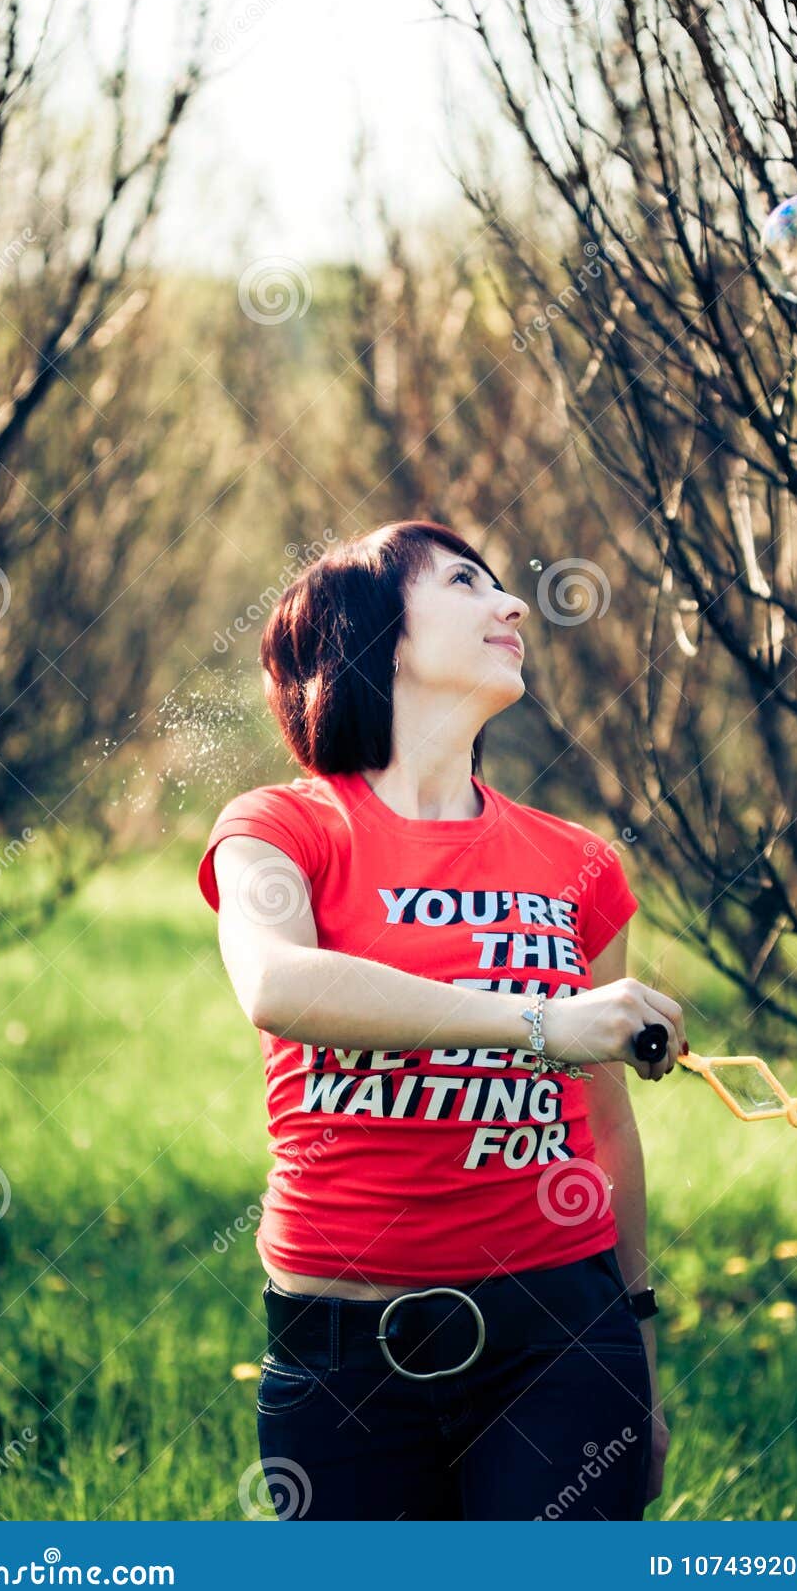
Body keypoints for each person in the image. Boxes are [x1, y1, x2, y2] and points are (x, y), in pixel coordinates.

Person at [197, 520, 684, 1521]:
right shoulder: (279, 828)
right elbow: (279, 983)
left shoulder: (577, 863)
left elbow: (603, 1126)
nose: (510, 604)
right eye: (465, 582)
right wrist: (542, 1023)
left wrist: (635, 1338)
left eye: (503, 585)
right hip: (341, 1360)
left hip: (560, 1338)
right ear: (368, 633)